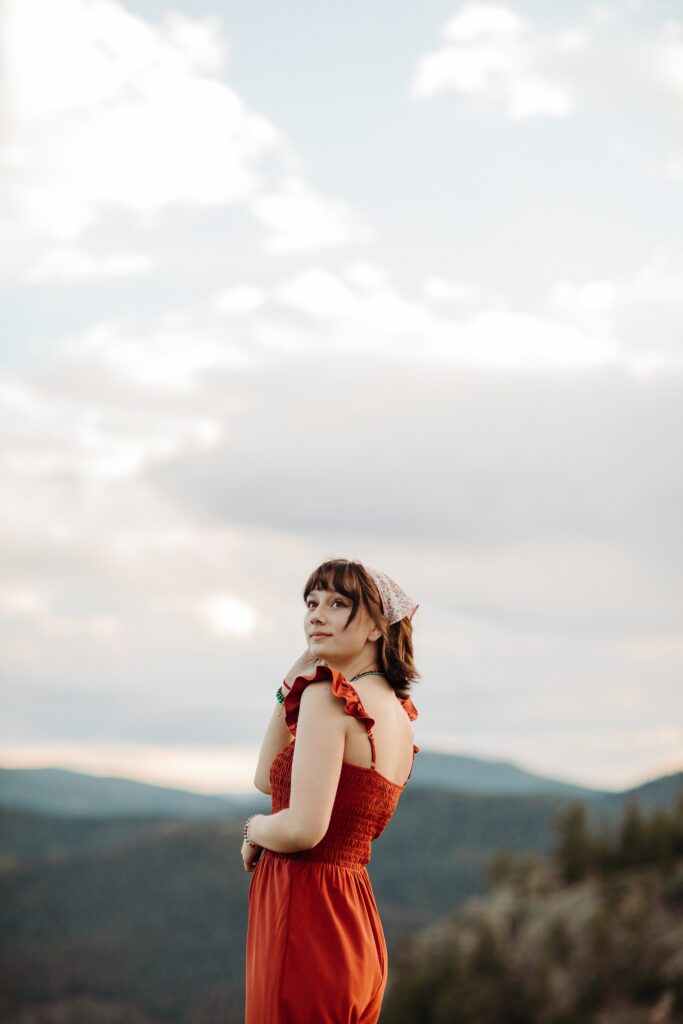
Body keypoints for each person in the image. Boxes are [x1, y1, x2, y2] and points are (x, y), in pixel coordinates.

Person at [243, 557, 421, 1023]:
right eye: (312, 602)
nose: (316, 615)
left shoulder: (328, 698)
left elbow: (302, 828)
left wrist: (254, 828)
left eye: (338, 603)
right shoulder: (397, 712)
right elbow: (267, 777)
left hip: (306, 917)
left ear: (378, 627)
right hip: (356, 920)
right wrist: (289, 687)